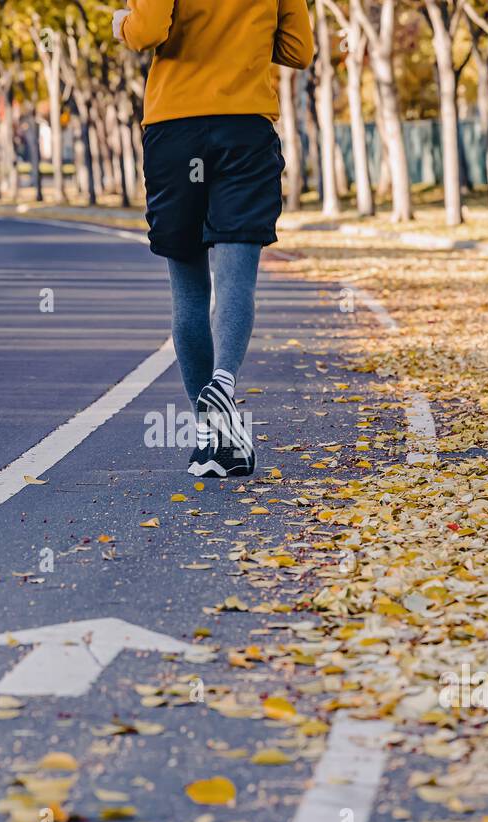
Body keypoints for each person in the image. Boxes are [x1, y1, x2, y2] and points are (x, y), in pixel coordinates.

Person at [113, 0, 315, 477]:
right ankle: (223, 386)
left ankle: (208, 437)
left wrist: (120, 21)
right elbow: (298, 50)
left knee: (187, 290)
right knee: (236, 281)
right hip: (245, 130)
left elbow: (147, 30)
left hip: (175, 132)